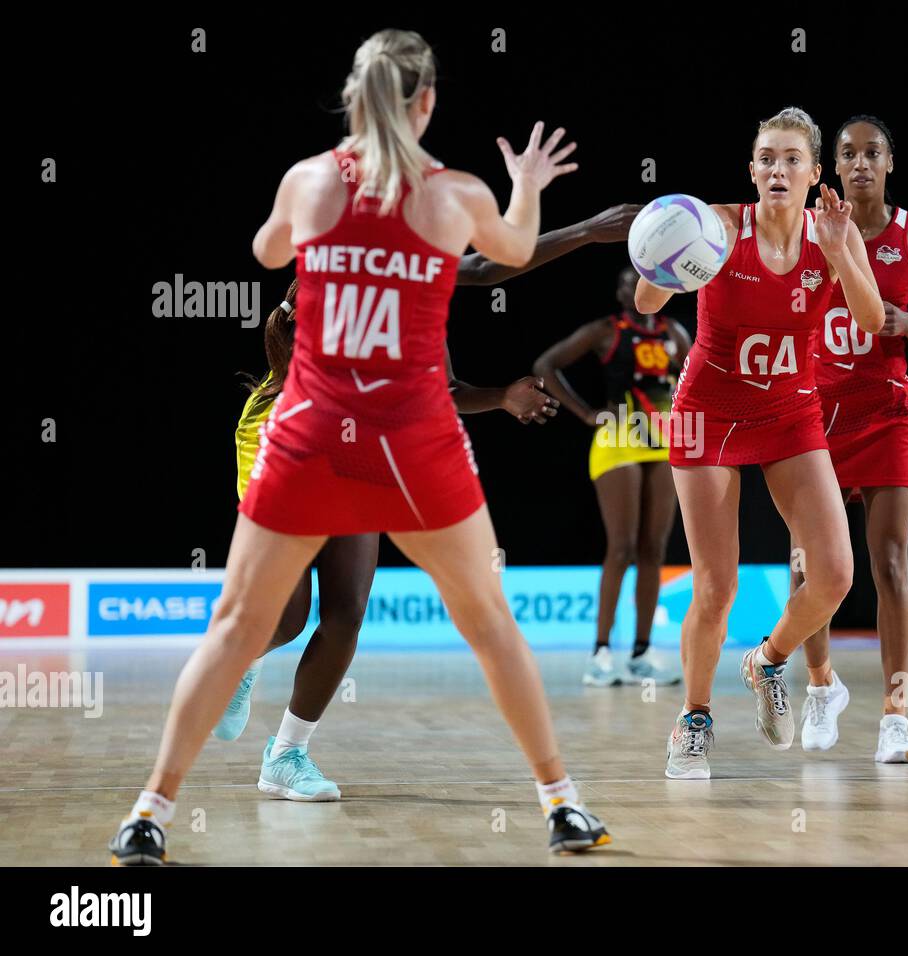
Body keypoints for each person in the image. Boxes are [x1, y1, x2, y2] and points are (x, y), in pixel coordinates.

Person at [109, 29, 609, 863]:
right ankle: (560, 803)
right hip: (413, 443)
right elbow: (518, 248)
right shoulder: (456, 196)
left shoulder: (309, 182)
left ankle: (148, 815)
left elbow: (267, 251)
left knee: (237, 625)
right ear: (426, 103)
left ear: (351, 98)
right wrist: (524, 187)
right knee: (489, 624)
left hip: (309, 435)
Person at [217, 279, 559, 803]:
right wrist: (586, 232)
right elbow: (481, 264)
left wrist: (501, 398)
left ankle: (286, 755)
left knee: (347, 612)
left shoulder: (406, 299)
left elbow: (440, 389)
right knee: (285, 615)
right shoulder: (339, 286)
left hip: (358, 451)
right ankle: (243, 659)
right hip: (288, 438)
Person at [635, 107, 884, 780]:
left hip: (788, 412)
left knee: (834, 573)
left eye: (791, 159)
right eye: (767, 158)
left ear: (813, 172)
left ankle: (769, 659)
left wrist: (840, 254)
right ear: (752, 171)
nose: (778, 169)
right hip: (706, 414)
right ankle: (692, 720)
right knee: (716, 587)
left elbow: (871, 320)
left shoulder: (833, 233)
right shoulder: (715, 225)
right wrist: (663, 251)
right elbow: (649, 299)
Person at [793, 114, 908, 760]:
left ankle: (895, 717)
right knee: (807, 567)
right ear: (833, 166)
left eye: (872, 153)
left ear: (890, 162)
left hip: (887, 414)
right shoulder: (808, 231)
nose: (860, 163)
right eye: (848, 154)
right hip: (814, 417)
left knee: (890, 564)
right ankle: (819, 687)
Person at [533, 267, 692, 686]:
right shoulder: (605, 330)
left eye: (642, 281)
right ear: (622, 293)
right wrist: (586, 413)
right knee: (621, 547)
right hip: (619, 438)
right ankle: (600, 654)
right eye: (626, 282)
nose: (634, 288)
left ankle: (641, 654)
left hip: (662, 440)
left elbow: (698, 380)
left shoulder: (673, 332)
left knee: (654, 549)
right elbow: (545, 365)